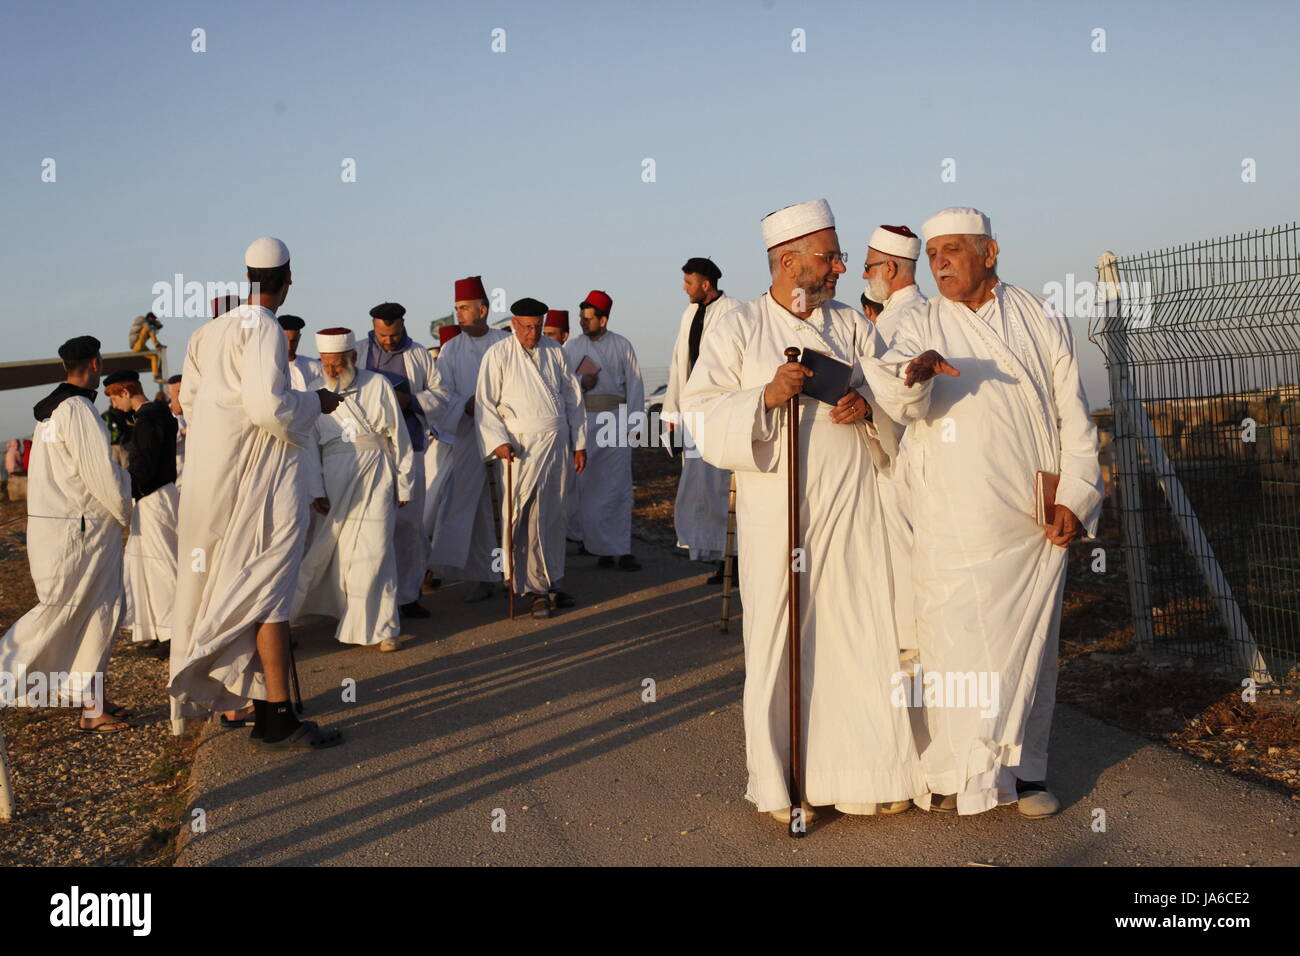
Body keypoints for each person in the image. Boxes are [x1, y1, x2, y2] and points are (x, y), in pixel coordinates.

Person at [679, 199, 957, 824]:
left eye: (838, 255)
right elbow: (701, 411)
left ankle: (866, 774)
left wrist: (870, 407)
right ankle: (784, 781)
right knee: (782, 636)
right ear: (787, 260)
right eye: (829, 255)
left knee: (859, 631)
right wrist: (766, 396)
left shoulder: (853, 327)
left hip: (854, 505)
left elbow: (888, 395)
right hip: (779, 512)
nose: (840, 266)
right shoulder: (739, 326)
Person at [892, 207, 1103, 818]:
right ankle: (954, 769)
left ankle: (1026, 774)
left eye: (954, 250)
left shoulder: (1039, 316)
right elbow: (894, 392)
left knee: (1030, 644)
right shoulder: (920, 321)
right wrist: (915, 376)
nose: (940, 263)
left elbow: (1073, 411)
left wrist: (1077, 495)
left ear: (990, 252)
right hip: (951, 515)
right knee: (952, 641)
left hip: (1031, 517)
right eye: (933, 254)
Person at [170, 237, 343, 750]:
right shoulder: (264, 327)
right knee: (269, 589)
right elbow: (269, 407)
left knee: (246, 585)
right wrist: (316, 401)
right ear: (288, 278)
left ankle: (266, 707)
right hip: (262, 479)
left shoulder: (206, 333)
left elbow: (195, 407)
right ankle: (272, 711)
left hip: (216, 480)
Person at [0, 336, 132, 732]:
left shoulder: (51, 413)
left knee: (93, 613)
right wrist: (127, 507)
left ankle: (93, 705)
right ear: (95, 364)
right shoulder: (77, 410)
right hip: (80, 533)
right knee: (64, 613)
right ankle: (5, 675)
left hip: (64, 530)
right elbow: (100, 474)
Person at [294, 329, 414, 651]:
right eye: (325, 364)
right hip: (335, 478)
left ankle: (383, 627)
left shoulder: (378, 385)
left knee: (377, 550)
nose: (331, 371)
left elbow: (398, 438)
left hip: (377, 472)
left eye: (337, 364)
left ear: (353, 358)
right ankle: (352, 616)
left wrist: (404, 483)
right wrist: (316, 488)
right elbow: (308, 448)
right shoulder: (312, 392)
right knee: (343, 554)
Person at [477, 299, 587, 619]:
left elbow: (573, 399)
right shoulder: (497, 354)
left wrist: (579, 443)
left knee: (551, 516)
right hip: (519, 448)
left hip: (554, 442)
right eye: (526, 326)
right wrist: (498, 441)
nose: (532, 332)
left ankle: (548, 583)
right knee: (522, 516)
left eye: (537, 326)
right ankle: (531, 587)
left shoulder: (556, 351)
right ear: (513, 323)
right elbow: (486, 403)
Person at [862, 225, 928, 658]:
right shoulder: (903, 314)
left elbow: (893, 393)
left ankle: (909, 641)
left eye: (868, 268)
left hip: (898, 457)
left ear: (890, 266)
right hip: (901, 453)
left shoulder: (902, 319)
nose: (864, 277)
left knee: (900, 551)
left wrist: (860, 404)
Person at [427, 277, 511, 603]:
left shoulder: (505, 343)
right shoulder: (450, 350)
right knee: (474, 509)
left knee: (509, 505)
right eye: (457, 309)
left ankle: (515, 574)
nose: (458, 315)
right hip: (467, 433)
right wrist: (467, 403)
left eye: (464, 308)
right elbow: (442, 394)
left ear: (483, 310)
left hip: (506, 435)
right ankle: (485, 575)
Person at [354, 302, 439, 618]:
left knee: (408, 524)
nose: (388, 341)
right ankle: (375, 599)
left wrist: (412, 400)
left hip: (411, 448)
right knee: (374, 525)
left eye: (393, 335)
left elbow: (441, 394)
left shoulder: (417, 355)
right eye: (382, 335)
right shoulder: (359, 352)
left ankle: (407, 596)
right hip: (370, 454)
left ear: (403, 325)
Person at [661, 257, 743, 583]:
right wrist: (671, 412)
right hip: (694, 414)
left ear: (705, 284)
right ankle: (718, 557)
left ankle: (736, 559)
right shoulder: (688, 315)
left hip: (723, 410)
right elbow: (678, 362)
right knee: (700, 490)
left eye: (689, 282)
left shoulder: (735, 311)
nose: (685, 288)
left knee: (725, 489)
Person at [564, 289, 645, 571]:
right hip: (585, 422)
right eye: (581, 319)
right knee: (589, 486)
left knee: (618, 487)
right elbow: (562, 385)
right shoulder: (572, 348)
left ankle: (621, 549)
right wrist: (579, 383)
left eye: (588, 319)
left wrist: (635, 427)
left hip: (616, 421)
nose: (583, 324)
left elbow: (635, 387)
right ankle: (599, 548)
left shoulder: (622, 345)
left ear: (604, 319)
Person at [105, 370, 178, 647]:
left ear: (125, 392)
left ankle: (172, 633)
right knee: (147, 564)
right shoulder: (158, 415)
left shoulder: (148, 418)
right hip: (159, 494)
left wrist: (124, 491)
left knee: (162, 566)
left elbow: (144, 467)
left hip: (153, 498)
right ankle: (160, 629)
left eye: (114, 398)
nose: (114, 406)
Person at [279, 314, 323, 390]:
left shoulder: (315, 367)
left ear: (299, 338)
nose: (289, 346)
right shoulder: (267, 367)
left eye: (293, 341)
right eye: (285, 340)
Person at [165, 374, 186, 476]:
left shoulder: (196, 411)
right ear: (168, 393)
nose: (183, 395)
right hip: (176, 470)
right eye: (178, 392)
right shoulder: (163, 414)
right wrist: (182, 431)